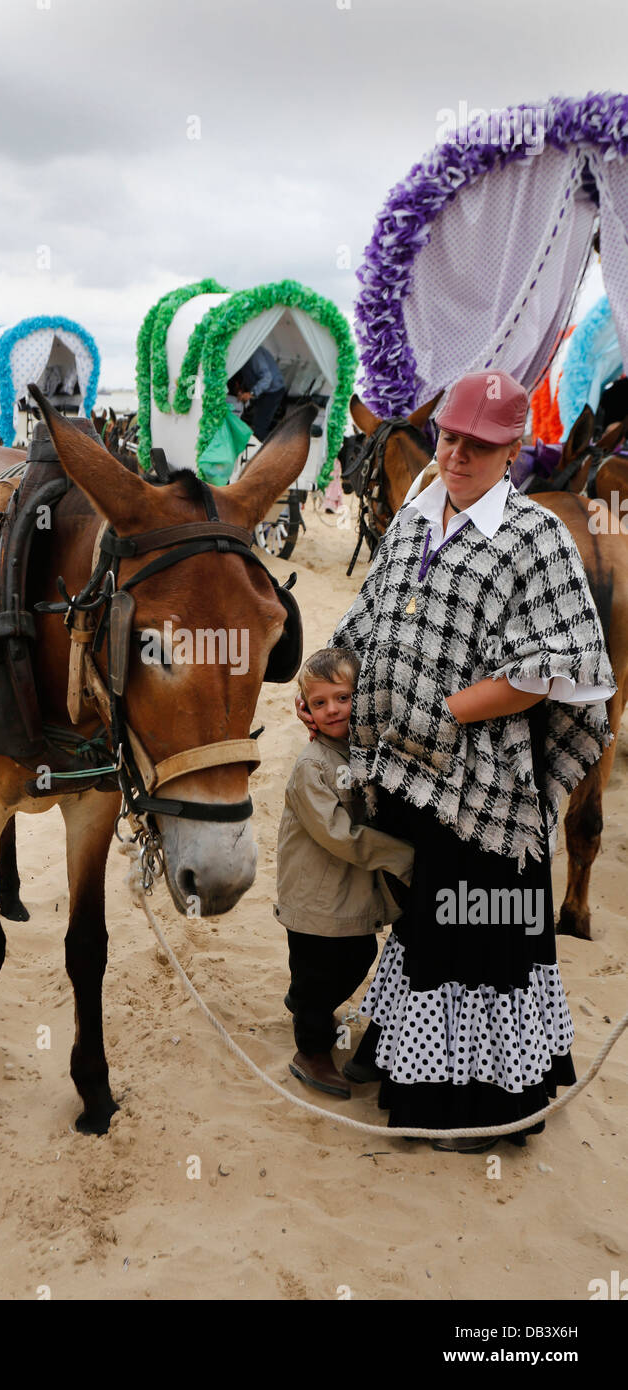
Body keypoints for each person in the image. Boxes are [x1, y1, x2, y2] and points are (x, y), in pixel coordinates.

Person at [303, 370, 616, 1151]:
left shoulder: (535, 536)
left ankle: (474, 1107)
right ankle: (400, 1052)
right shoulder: (413, 521)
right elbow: (365, 617)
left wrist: (450, 709)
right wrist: (322, 680)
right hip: (404, 766)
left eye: (479, 444)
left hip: (486, 783)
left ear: (512, 449)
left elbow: (566, 665)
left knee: (475, 927)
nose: (458, 454)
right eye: (449, 437)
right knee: (427, 922)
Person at [277, 648, 414, 1098]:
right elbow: (339, 833)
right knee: (317, 973)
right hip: (315, 899)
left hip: (349, 895)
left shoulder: (358, 753)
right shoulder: (312, 766)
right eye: (320, 703)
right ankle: (311, 1050)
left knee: (356, 957)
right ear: (306, 709)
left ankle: (304, 1003)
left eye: (342, 698)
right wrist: (400, 855)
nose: (332, 709)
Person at [231, 345, 286, 440]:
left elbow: (267, 378)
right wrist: (240, 389)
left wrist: (251, 393)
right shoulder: (243, 353)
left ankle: (265, 448)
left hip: (272, 391)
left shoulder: (255, 354)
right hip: (261, 389)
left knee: (259, 426)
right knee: (249, 419)